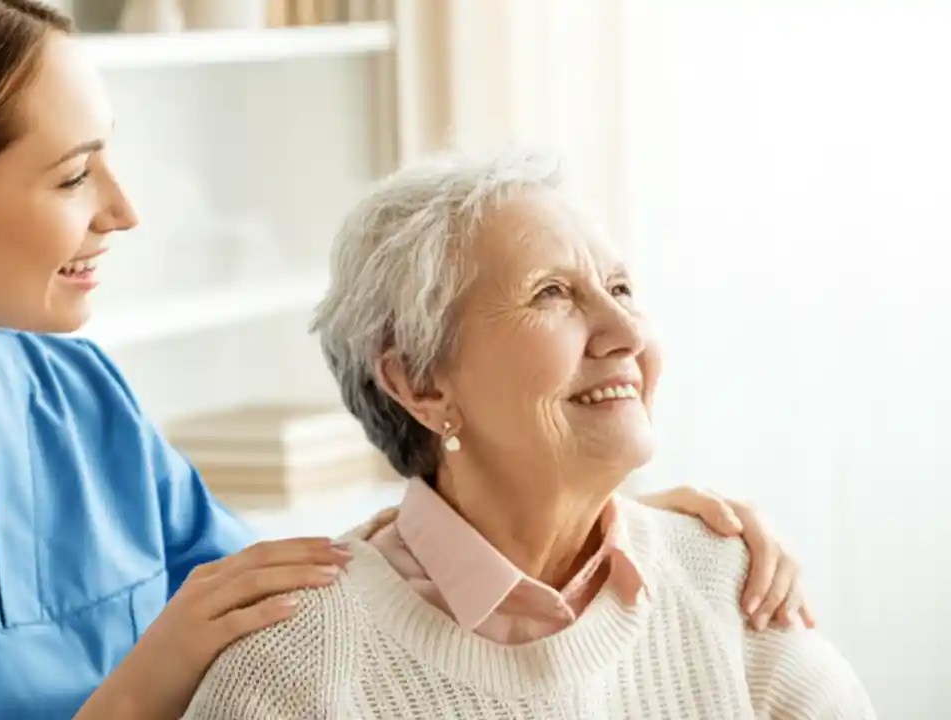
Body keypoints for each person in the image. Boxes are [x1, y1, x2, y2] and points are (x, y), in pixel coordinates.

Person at [0, 2, 811, 719]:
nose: (120, 209)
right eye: (73, 177)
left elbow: (278, 590)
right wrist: (134, 697)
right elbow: (192, 645)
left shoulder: (72, 392)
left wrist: (586, 523)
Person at [183, 150, 876, 719]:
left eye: (622, 289)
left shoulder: (727, 579)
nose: (627, 333)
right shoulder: (293, 665)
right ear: (421, 383)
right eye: (553, 294)